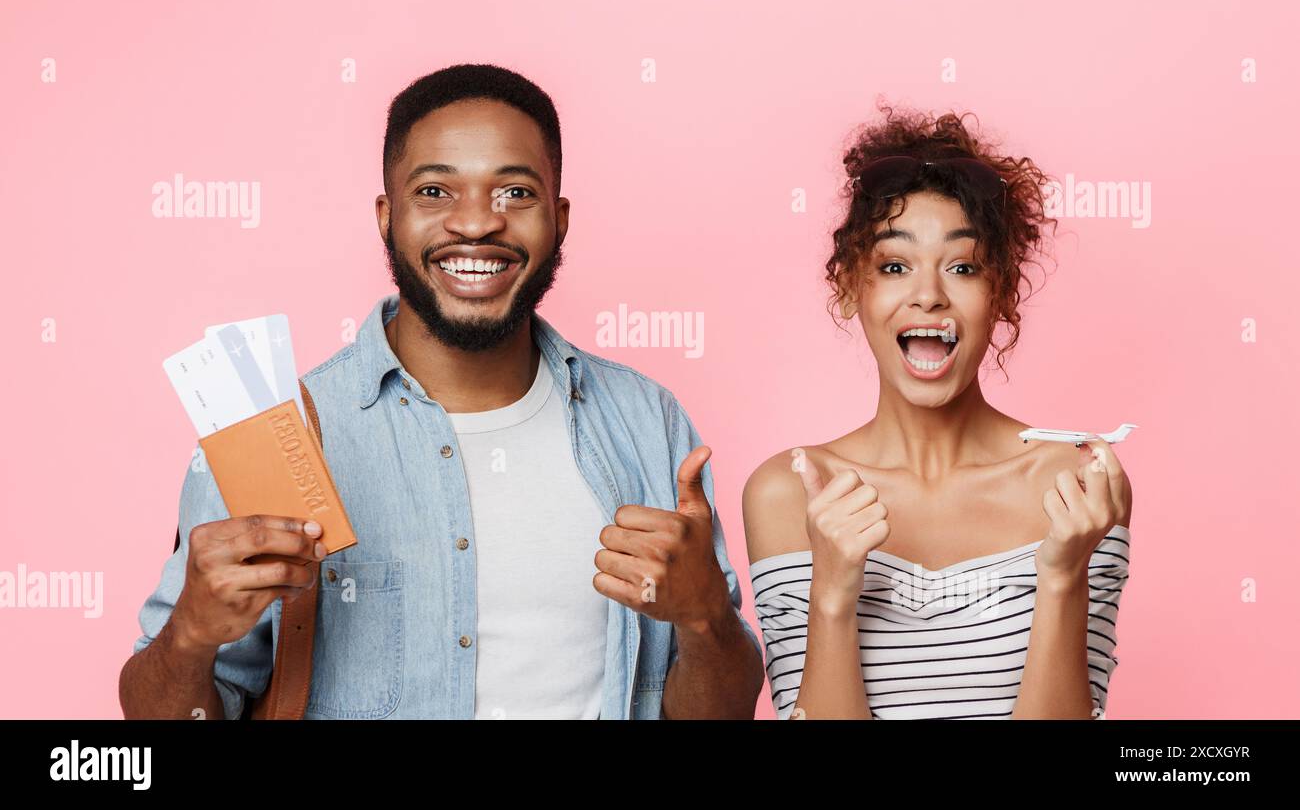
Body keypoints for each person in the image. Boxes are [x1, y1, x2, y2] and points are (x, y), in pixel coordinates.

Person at [120, 63, 764, 720]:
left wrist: (706, 615)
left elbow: (725, 709)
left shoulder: (646, 421)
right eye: (435, 190)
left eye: (515, 192)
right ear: (387, 215)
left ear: (559, 218)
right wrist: (192, 635)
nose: (477, 223)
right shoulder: (280, 433)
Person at [742, 105, 1133, 720]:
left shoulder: (1075, 486)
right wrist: (834, 593)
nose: (928, 294)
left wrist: (1062, 577)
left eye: (962, 267)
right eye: (895, 266)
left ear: (1000, 294)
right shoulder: (791, 491)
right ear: (849, 288)